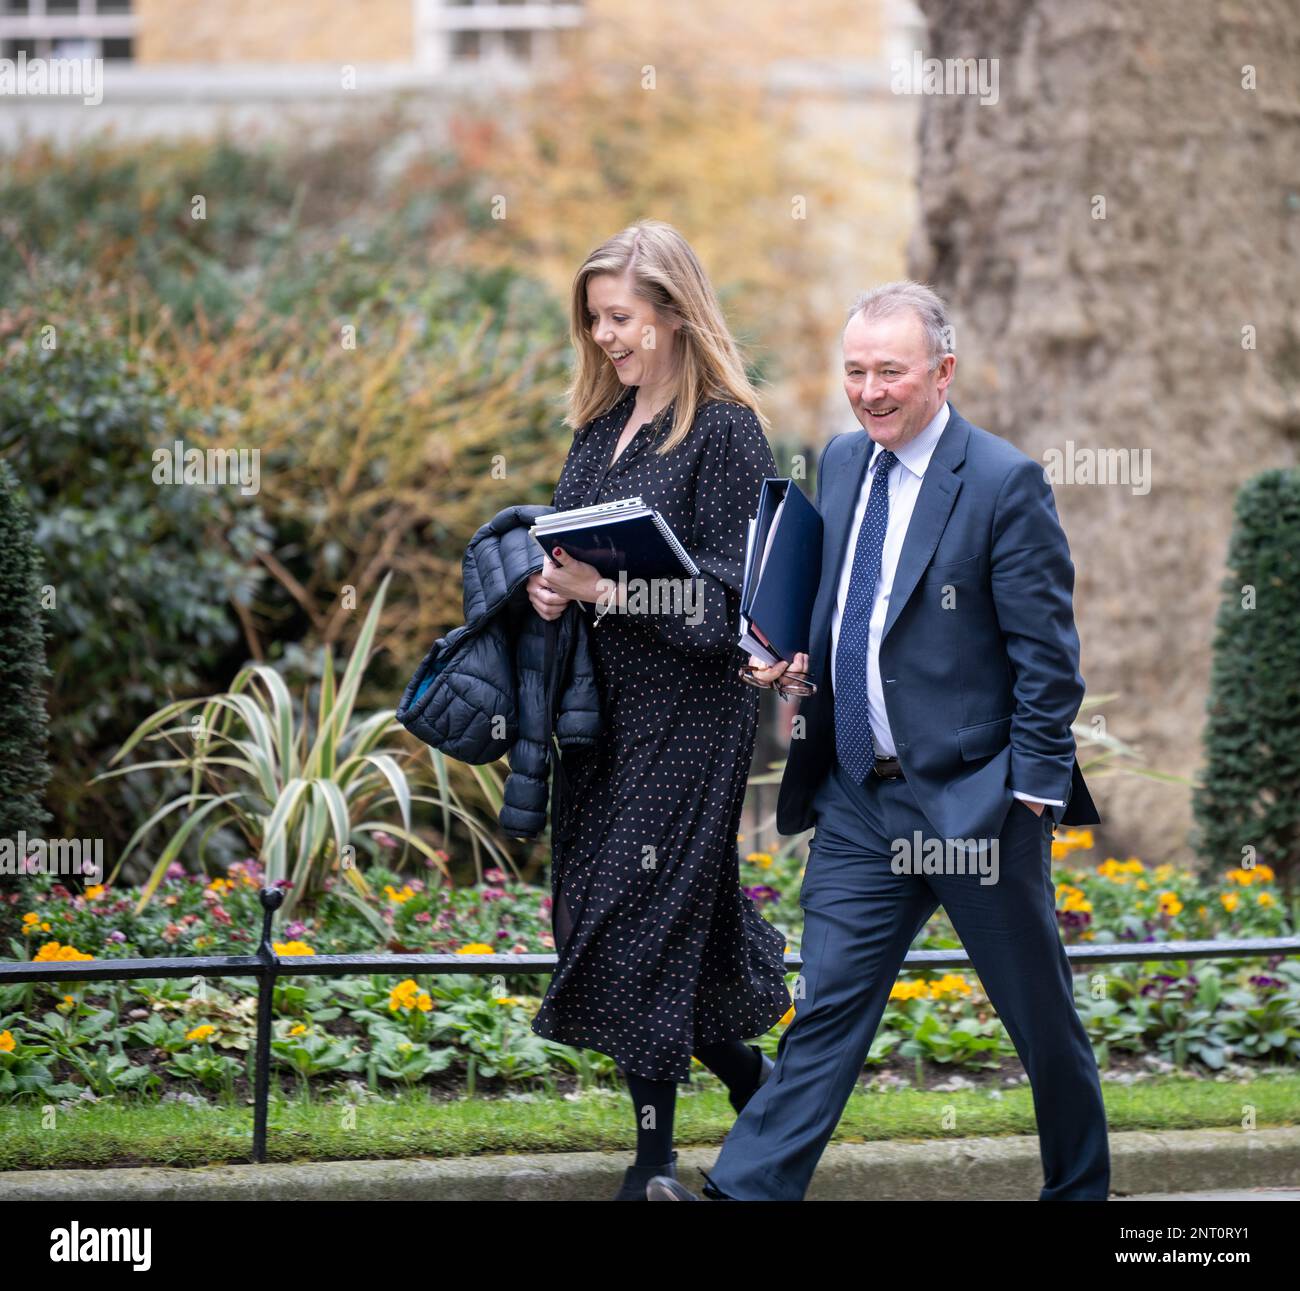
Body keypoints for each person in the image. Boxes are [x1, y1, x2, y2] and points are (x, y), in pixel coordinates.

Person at [648, 280, 1110, 1201]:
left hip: (976, 800)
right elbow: (855, 605)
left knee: (1040, 1022)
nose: (870, 390)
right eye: (855, 371)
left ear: (942, 372)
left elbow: (1049, 660)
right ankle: (744, 1194)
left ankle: (1080, 1192)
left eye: (890, 371)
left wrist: (1027, 791)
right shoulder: (846, 461)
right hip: (862, 795)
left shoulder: (1003, 482)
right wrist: (791, 655)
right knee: (826, 1011)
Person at [525, 219, 792, 1200]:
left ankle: (651, 1167)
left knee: (634, 919)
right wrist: (551, 589)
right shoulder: (598, 431)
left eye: (622, 318)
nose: (605, 337)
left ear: (677, 314)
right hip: (602, 716)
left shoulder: (724, 428)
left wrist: (608, 594)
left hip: (690, 715)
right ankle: (755, 1079)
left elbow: (728, 608)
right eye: (595, 320)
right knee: (661, 913)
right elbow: (568, 558)